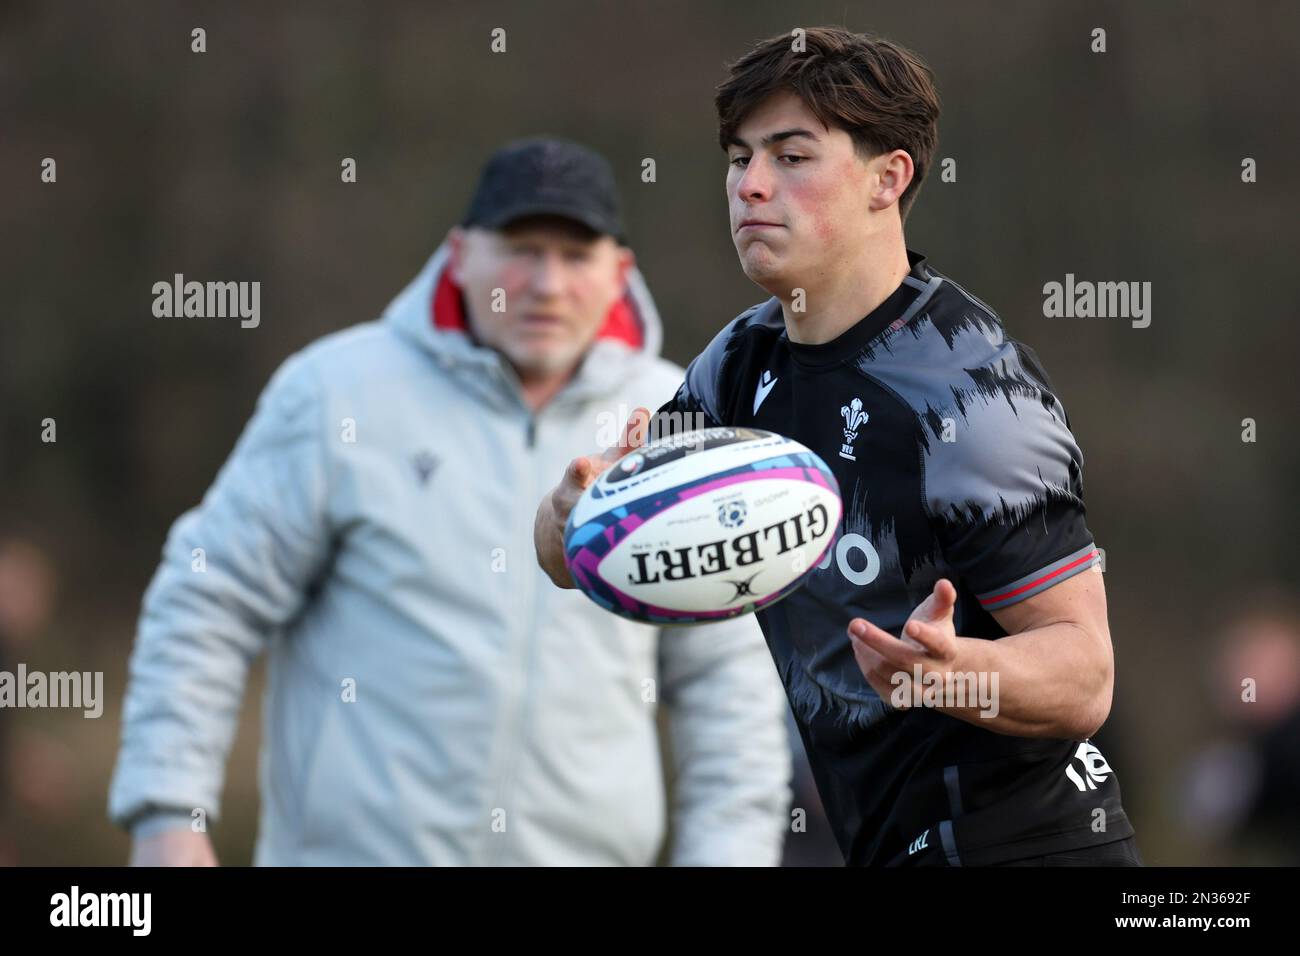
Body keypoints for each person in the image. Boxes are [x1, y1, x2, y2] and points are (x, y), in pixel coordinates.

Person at [535, 29, 1141, 866]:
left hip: (1028, 845)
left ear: (887, 178)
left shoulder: (972, 391)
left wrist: (952, 672)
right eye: (740, 158)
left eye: (791, 157)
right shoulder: (738, 367)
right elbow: (576, 553)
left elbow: (1085, 676)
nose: (750, 186)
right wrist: (574, 511)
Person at [109, 137, 792, 866]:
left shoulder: (679, 422)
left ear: (619, 273)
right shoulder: (335, 394)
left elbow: (732, 695)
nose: (546, 283)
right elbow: (206, 602)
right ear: (460, 255)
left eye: (575, 256)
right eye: (521, 250)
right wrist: (167, 818)